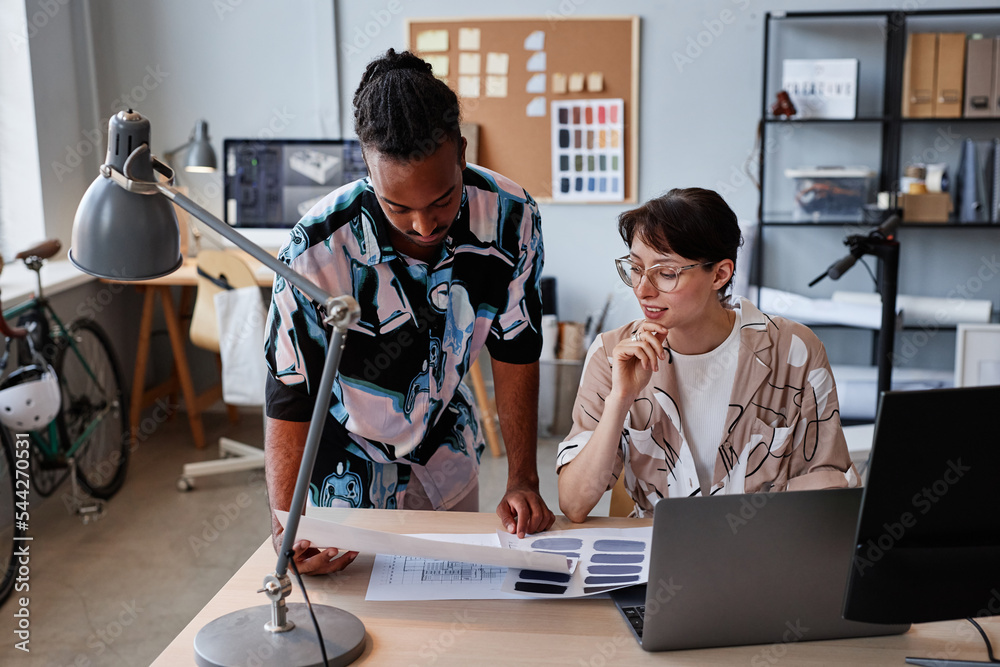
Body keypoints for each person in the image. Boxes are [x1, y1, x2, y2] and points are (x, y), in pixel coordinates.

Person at [264, 49, 555, 574]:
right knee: (356, 618)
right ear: (367, 169)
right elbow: (291, 391)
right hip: (342, 463)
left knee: (447, 602)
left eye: (442, 200)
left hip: (446, 447)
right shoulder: (316, 250)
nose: (423, 225)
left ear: (462, 152)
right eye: (399, 207)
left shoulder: (511, 220)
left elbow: (517, 347)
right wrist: (289, 521)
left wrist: (523, 479)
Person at [557, 188, 858, 522]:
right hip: (656, 558)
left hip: (765, 555)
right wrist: (620, 398)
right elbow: (574, 503)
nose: (643, 289)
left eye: (666, 273)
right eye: (637, 268)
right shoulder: (612, 355)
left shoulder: (794, 351)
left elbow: (828, 493)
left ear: (720, 274)